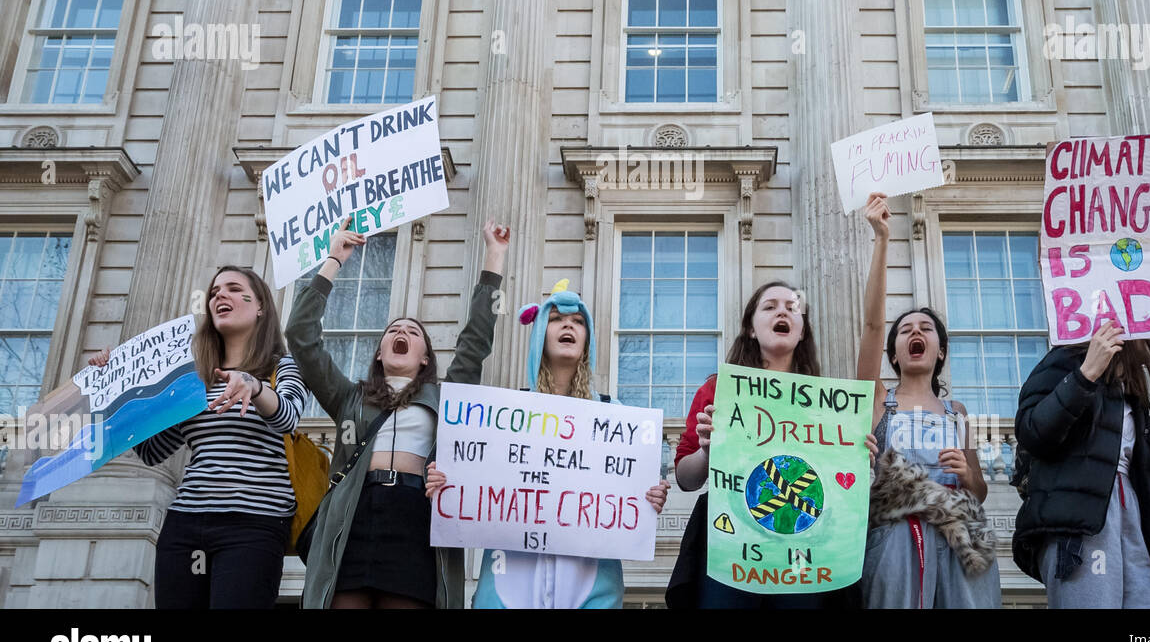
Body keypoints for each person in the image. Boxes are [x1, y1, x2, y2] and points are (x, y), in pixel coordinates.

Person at [286, 217, 509, 609]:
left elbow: (475, 341)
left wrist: (495, 256)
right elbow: (301, 336)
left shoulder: (445, 397)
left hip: (414, 518)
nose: (401, 333)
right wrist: (333, 260)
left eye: (413, 332)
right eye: (393, 330)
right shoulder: (348, 398)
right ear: (379, 351)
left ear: (425, 359)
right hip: (352, 518)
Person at [426, 279, 670, 608]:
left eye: (578, 321)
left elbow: (648, 472)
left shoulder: (615, 417)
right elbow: (476, 475)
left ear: (587, 341)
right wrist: (448, 479)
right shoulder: (502, 416)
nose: (568, 324)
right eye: (555, 318)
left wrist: (652, 492)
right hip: (509, 575)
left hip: (589, 578)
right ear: (540, 332)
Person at [92, 265, 308, 609]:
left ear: (260, 306)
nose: (220, 295)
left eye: (234, 289)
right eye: (214, 292)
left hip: (253, 524)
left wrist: (254, 385)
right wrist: (116, 392)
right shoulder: (193, 380)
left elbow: (288, 417)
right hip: (185, 524)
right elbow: (153, 451)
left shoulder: (282, 366)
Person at [854, 192, 1000, 608]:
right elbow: (869, 325)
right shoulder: (880, 399)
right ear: (894, 353)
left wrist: (968, 476)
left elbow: (979, 489)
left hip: (962, 536)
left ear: (940, 351)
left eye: (926, 328)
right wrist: (882, 238)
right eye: (904, 331)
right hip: (897, 535)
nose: (915, 332)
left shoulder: (958, 413)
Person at [666, 280, 849, 608]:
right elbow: (685, 477)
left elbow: (838, 483)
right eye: (770, 306)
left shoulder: (829, 404)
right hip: (731, 545)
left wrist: (857, 457)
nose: (782, 311)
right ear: (750, 329)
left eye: (792, 308)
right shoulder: (717, 390)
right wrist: (707, 451)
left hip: (804, 550)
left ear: (802, 331)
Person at [1013, 320, 1150, 608]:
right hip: (1081, 521)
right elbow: (1033, 432)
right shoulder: (1064, 360)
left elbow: (1136, 470)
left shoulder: (1129, 391)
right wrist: (1086, 373)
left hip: (1130, 517)